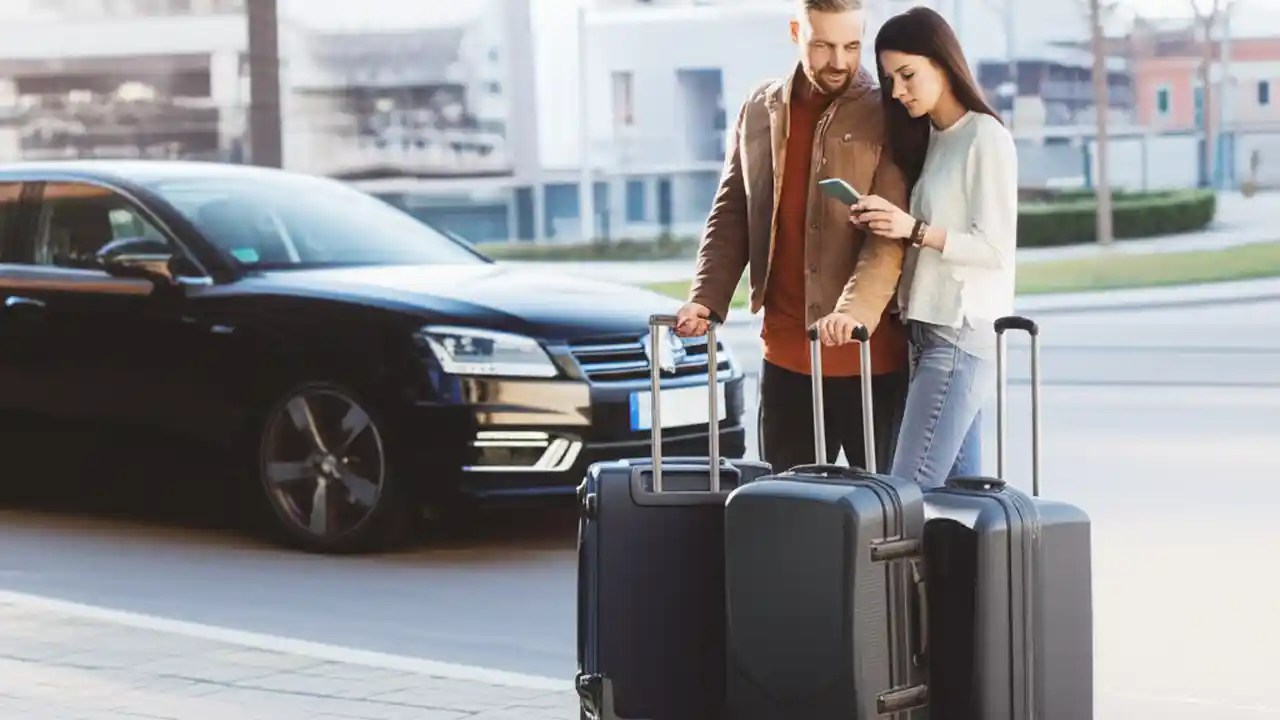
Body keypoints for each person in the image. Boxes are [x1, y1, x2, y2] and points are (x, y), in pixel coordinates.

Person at [675, 0, 912, 473]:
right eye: (823, 45)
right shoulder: (759, 109)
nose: (840, 62)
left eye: (851, 45)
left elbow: (889, 239)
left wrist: (852, 314)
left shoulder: (890, 111)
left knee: (883, 523)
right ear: (794, 31)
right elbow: (733, 211)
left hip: (869, 360)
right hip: (785, 358)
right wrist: (706, 297)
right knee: (787, 519)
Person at [850, 7, 1019, 488]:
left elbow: (995, 250)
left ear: (942, 63)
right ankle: (958, 569)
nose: (898, 91)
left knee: (907, 490)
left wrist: (914, 229)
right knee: (955, 501)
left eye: (908, 75)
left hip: (959, 335)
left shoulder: (985, 138)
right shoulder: (934, 138)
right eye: (890, 80)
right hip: (927, 335)